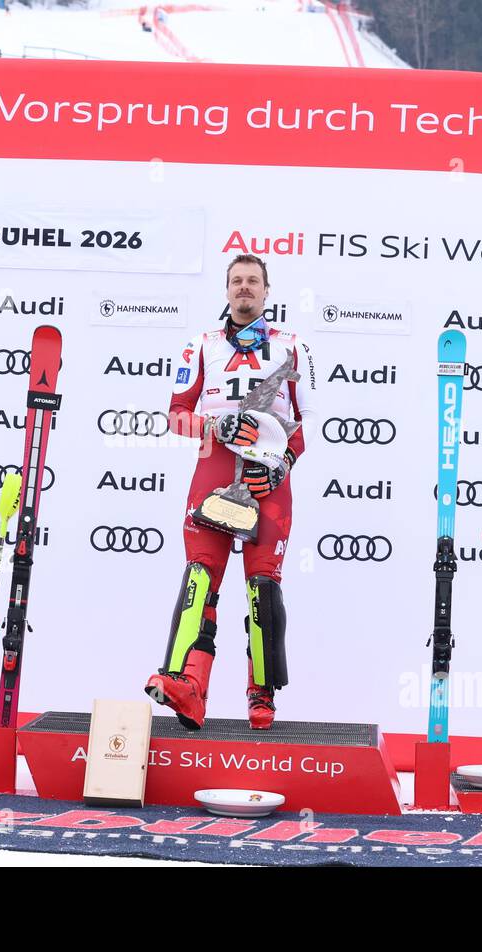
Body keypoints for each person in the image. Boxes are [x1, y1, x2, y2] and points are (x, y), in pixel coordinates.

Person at [144, 254, 317, 730]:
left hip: (267, 482)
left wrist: (281, 465)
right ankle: (188, 687)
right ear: (226, 291)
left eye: (252, 282)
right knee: (201, 579)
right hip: (212, 470)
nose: (244, 288)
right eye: (236, 281)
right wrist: (216, 424)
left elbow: (302, 426)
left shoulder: (294, 347)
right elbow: (177, 414)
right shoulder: (200, 346)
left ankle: (261, 698)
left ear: (267, 290)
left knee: (263, 588)